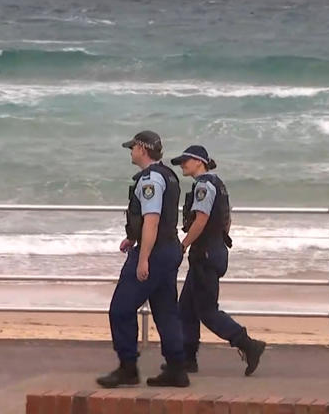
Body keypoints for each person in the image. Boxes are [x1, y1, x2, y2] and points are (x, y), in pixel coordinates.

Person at [96, 131, 190, 388]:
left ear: (142, 149)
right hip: (169, 249)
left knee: (121, 309)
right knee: (165, 311)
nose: (130, 152)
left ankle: (128, 369)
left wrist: (143, 258)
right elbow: (161, 218)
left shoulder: (150, 180)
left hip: (156, 252)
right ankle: (176, 369)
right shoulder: (168, 176)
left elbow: (152, 219)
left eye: (132, 147)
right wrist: (133, 239)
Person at [167, 145, 267, 376]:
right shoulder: (218, 184)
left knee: (207, 311)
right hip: (213, 251)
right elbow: (226, 218)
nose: (182, 165)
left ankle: (247, 344)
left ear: (199, 162)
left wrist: (183, 245)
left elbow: (200, 220)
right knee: (186, 309)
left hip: (205, 254)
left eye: (186, 161)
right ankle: (187, 359)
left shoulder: (204, 185)